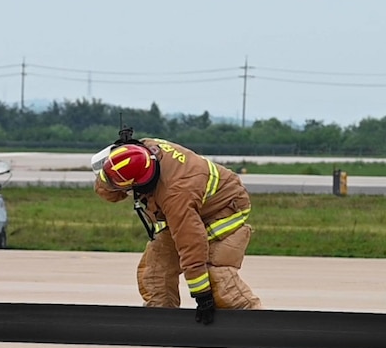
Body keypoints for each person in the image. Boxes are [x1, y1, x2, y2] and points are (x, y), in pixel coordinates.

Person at [93, 134, 263, 324]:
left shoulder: (175, 194)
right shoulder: (142, 148)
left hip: (223, 209)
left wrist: (202, 295)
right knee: (156, 272)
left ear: (140, 183)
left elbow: (191, 243)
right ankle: (162, 324)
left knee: (217, 279)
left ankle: (257, 323)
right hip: (187, 207)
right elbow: (113, 185)